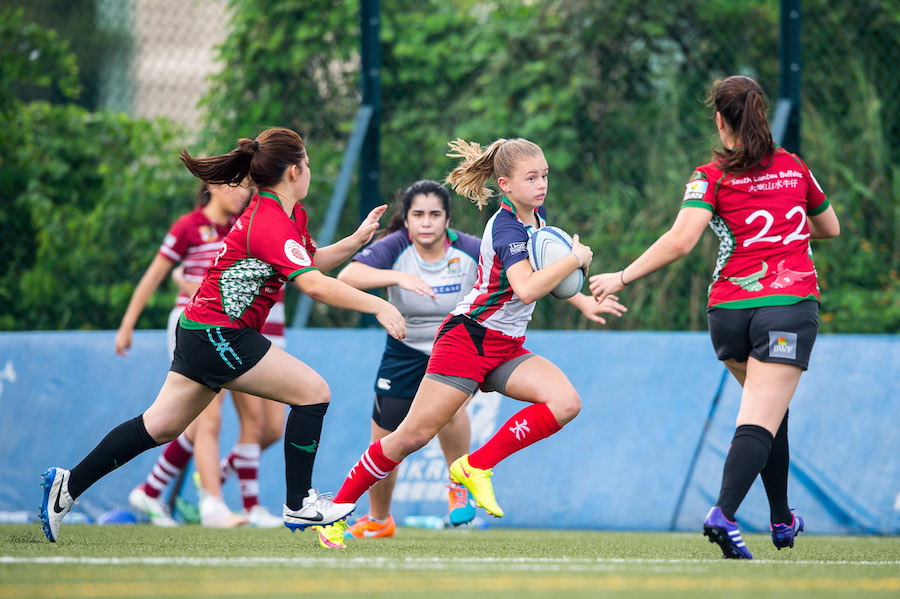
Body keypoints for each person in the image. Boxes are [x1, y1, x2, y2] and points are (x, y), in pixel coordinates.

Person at [39, 127, 406, 543]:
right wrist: (380, 304)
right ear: (292, 171)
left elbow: (312, 261)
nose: (310, 170)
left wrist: (356, 241)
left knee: (159, 427)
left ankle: (68, 486)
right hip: (219, 332)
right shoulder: (268, 220)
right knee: (313, 392)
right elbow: (315, 285)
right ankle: (299, 502)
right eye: (307, 163)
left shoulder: (289, 216)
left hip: (202, 330)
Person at [314, 137, 624, 549]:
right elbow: (527, 289)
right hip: (468, 341)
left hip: (506, 346)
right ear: (505, 184)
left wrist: (578, 294)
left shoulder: (536, 216)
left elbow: (539, 281)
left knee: (566, 402)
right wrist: (575, 260)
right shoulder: (507, 226)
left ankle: (475, 466)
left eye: (544, 175)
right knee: (409, 437)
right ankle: (335, 512)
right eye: (531, 178)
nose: (541, 184)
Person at [589, 75, 840, 559]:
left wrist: (621, 276)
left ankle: (781, 519)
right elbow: (828, 226)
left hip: (727, 314)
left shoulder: (709, 175)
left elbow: (681, 241)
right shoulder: (793, 167)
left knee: (766, 411)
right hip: (786, 309)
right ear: (761, 116)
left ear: (721, 121)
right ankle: (723, 512)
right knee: (762, 416)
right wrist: (785, 226)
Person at [114, 182, 282, 528]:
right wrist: (127, 325)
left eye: (248, 187)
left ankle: (155, 489)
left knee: (254, 419)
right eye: (235, 186)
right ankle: (212, 503)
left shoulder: (243, 225)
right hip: (194, 325)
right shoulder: (187, 226)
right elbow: (154, 276)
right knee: (207, 417)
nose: (242, 194)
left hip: (235, 328)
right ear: (211, 187)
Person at [335, 180, 482, 538]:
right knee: (385, 437)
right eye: (418, 214)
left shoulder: (470, 250)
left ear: (448, 220)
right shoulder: (396, 247)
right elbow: (347, 276)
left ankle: (459, 489)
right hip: (403, 350)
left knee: (449, 411)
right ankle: (379, 518)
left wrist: (581, 299)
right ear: (407, 220)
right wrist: (397, 277)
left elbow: (521, 274)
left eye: (435, 214)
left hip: (456, 346)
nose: (426, 222)